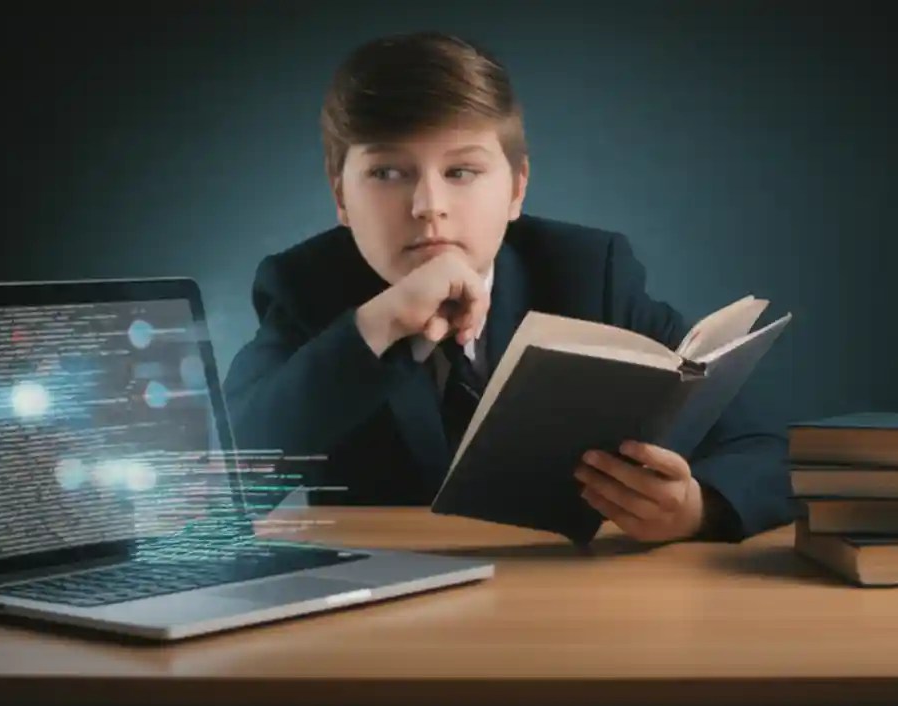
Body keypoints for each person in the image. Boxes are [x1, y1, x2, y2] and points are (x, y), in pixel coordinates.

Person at [223, 31, 796, 543]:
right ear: (341, 196)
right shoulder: (304, 287)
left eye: (461, 172)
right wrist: (377, 326)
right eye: (387, 173)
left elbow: (771, 450)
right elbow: (217, 485)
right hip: (376, 602)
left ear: (517, 189)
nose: (428, 206)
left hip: (564, 597)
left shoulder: (587, 273)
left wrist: (695, 509)